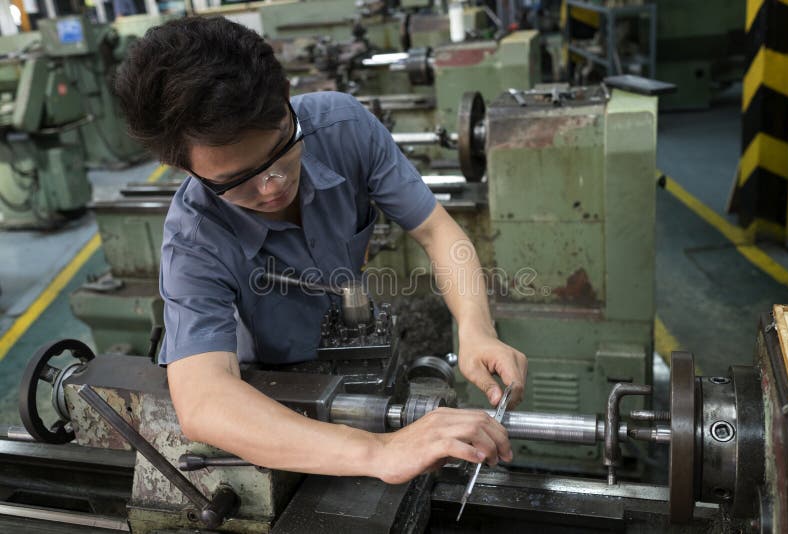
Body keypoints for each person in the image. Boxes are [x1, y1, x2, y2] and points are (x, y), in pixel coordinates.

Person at [114, 16, 527, 484]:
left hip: (355, 354)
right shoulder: (193, 239)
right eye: (236, 181)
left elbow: (436, 231)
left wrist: (476, 327)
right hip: (266, 396)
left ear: (286, 96)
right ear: (180, 166)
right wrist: (379, 451)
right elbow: (206, 401)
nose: (272, 188)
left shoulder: (344, 128)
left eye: (279, 152)